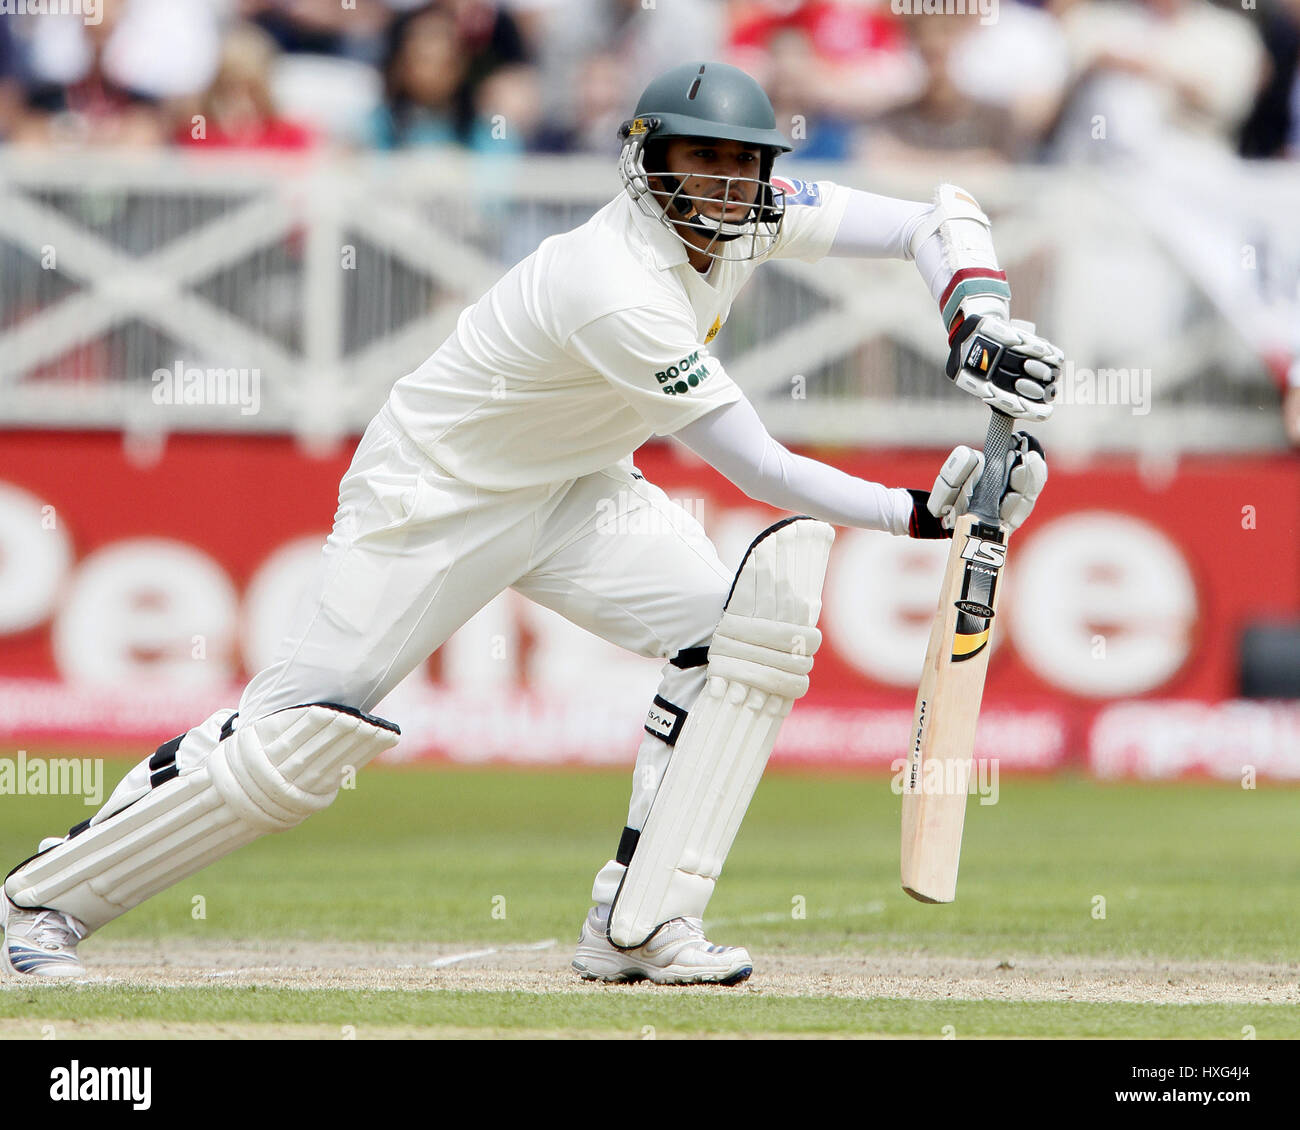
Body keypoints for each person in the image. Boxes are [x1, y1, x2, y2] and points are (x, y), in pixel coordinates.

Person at [1, 61, 1060, 985]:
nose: (729, 186)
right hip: (435, 496)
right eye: (703, 161)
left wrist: (976, 322)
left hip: (573, 488)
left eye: (745, 164)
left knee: (733, 632)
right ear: (646, 164)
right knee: (296, 744)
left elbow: (938, 217)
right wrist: (922, 513)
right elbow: (763, 467)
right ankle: (34, 906)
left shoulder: (758, 207)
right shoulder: (612, 286)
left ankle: (639, 925)